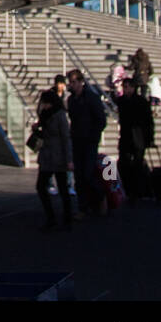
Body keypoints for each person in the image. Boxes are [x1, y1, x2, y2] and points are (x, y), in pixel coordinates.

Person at [66, 68, 106, 215]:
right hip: (77, 141)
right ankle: (83, 207)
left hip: (89, 141)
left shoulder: (91, 98)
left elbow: (101, 119)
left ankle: (100, 197)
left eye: (74, 82)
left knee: (88, 174)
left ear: (81, 82)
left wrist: (94, 135)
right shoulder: (71, 100)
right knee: (79, 176)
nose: (72, 85)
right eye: (70, 82)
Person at [35, 89, 73, 230]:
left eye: (45, 103)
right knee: (42, 186)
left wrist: (69, 159)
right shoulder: (45, 115)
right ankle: (52, 216)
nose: (43, 106)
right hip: (47, 155)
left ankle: (66, 216)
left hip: (58, 155)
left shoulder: (59, 115)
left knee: (62, 187)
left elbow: (65, 137)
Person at [113, 77, 154, 201]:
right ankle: (130, 189)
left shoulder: (141, 101)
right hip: (126, 136)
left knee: (137, 164)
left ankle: (138, 190)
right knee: (123, 163)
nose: (124, 89)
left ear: (133, 87)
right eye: (123, 87)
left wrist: (150, 138)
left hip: (138, 136)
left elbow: (148, 121)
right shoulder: (121, 101)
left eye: (126, 87)